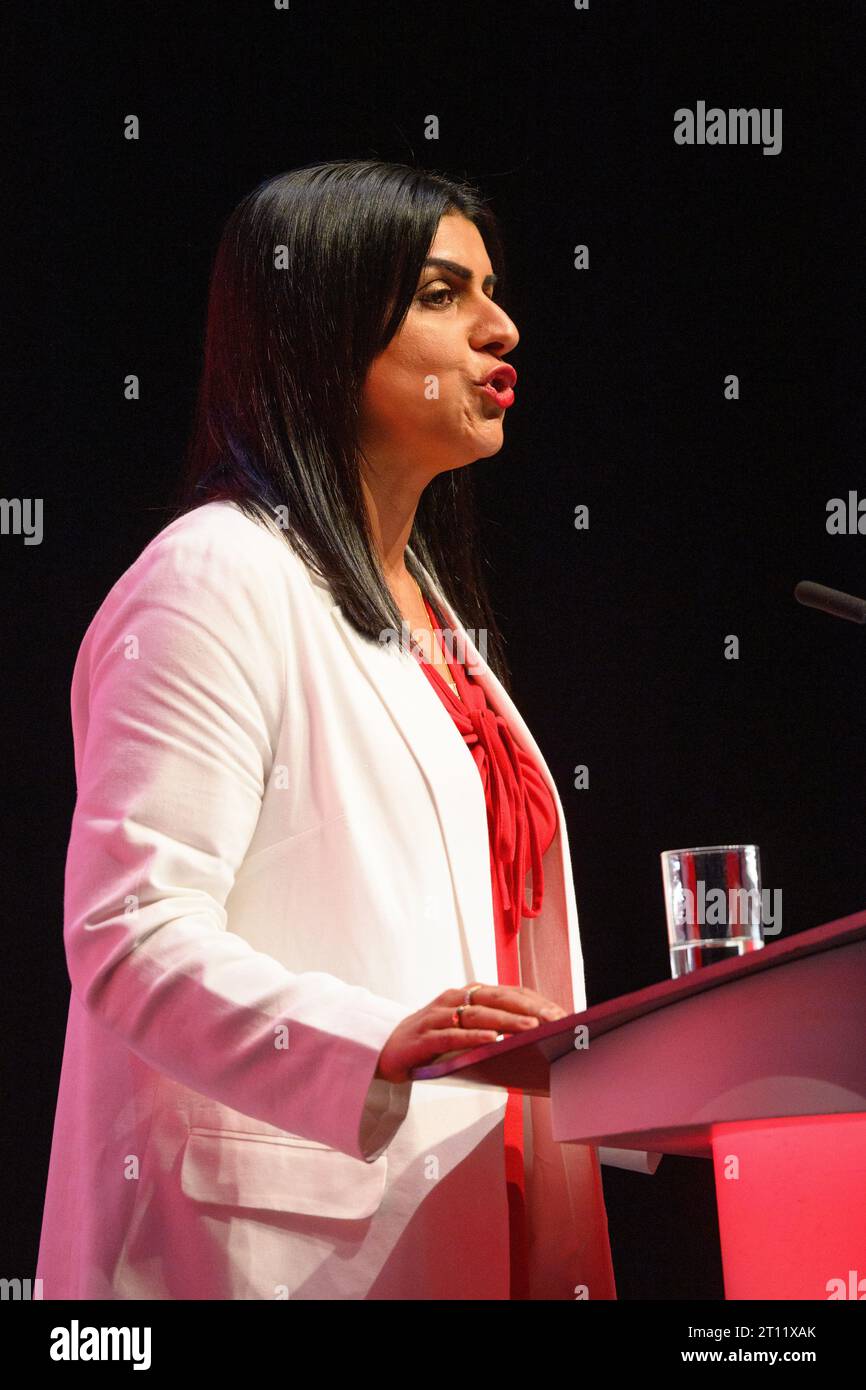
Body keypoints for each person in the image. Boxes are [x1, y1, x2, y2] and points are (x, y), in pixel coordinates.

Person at [36, 160, 617, 1300]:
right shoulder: (210, 578)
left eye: (490, 290)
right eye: (442, 294)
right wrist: (372, 1041)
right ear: (319, 324)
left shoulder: (431, 615)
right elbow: (127, 926)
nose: (498, 327)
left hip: (470, 1215)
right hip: (271, 1253)